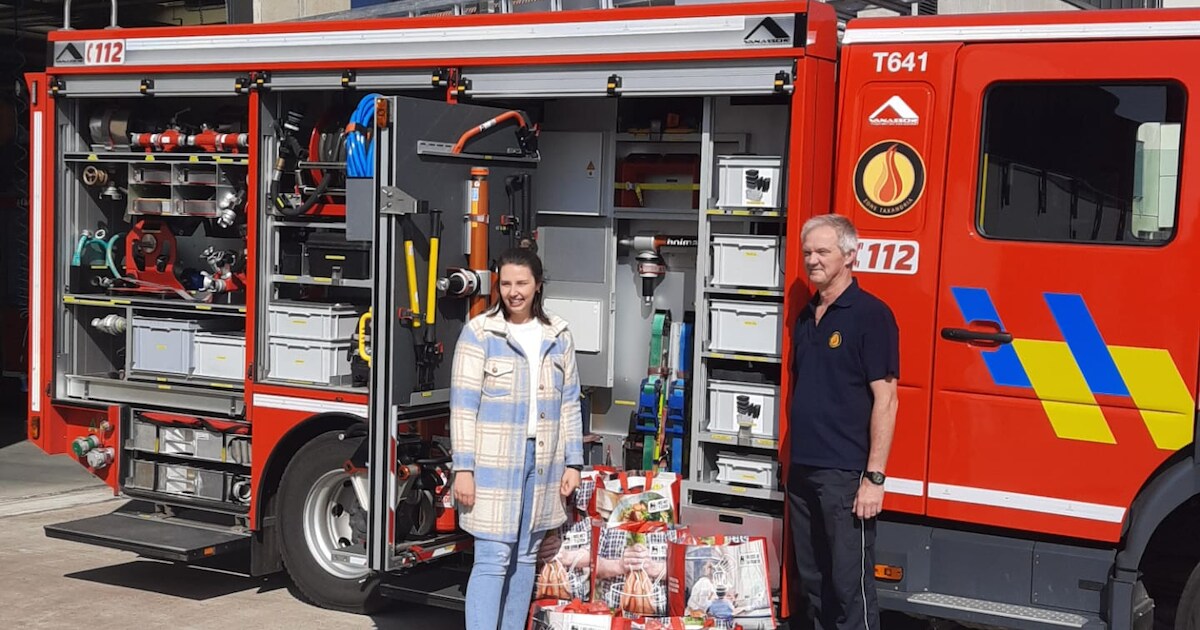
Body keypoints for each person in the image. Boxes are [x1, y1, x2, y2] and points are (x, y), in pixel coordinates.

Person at [450, 247, 584, 630]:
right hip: (493, 464)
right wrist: (464, 468)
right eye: (506, 283)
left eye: (522, 283)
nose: (514, 291)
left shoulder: (558, 334)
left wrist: (573, 461)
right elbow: (462, 407)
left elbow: (570, 402)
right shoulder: (480, 333)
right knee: (492, 558)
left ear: (538, 285)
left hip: (543, 464)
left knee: (526, 557)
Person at [787, 214, 899, 630]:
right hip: (803, 471)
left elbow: (886, 401)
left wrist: (874, 477)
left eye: (823, 251)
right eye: (807, 252)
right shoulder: (805, 315)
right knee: (813, 584)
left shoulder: (872, 315)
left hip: (846, 476)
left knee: (849, 586)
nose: (812, 260)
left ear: (850, 255)